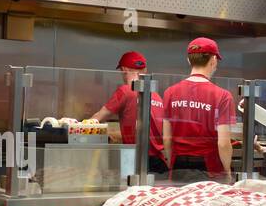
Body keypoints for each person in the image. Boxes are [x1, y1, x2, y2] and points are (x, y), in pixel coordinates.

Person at [162, 36, 234, 181]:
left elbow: (166, 139)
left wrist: (172, 166)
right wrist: (227, 172)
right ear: (213, 60)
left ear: (189, 60)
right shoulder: (223, 96)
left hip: (178, 167)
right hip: (209, 170)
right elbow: (223, 143)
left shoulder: (170, 92)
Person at [90, 50, 166, 174]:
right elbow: (144, 131)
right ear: (145, 70)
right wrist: (112, 133)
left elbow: (97, 119)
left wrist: (78, 126)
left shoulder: (125, 91)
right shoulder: (156, 96)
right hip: (159, 164)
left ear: (124, 70)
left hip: (135, 160)